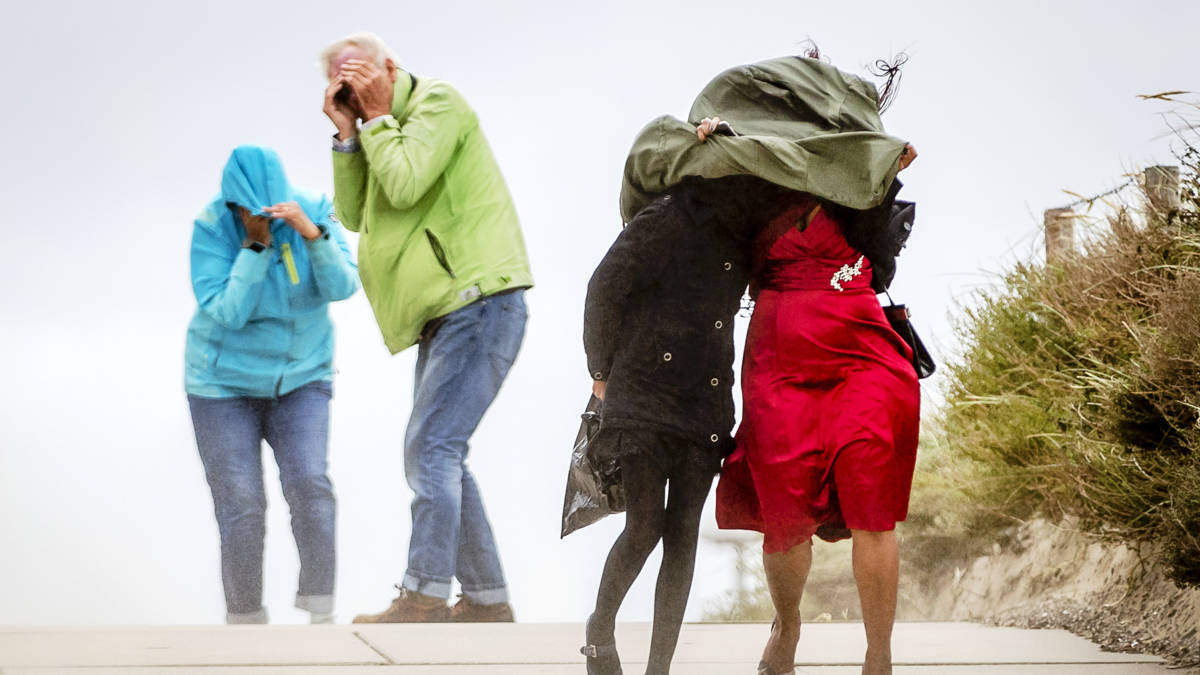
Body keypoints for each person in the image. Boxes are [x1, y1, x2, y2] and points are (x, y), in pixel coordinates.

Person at [710, 57, 920, 675]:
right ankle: (787, 626)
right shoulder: (744, 170)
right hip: (778, 359)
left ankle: (879, 654)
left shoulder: (864, 168)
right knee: (786, 515)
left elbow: (882, 244)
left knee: (874, 508)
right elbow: (672, 184)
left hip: (865, 353)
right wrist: (709, 140)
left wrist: (890, 167)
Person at [318, 32, 533, 623]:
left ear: (390, 66)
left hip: (479, 299)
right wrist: (347, 136)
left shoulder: (439, 103)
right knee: (442, 451)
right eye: (343, 85)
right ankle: (488, 600)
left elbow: (408, 179)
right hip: (445, 312)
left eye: (361, 78)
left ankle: (425, 592)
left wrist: (380, 116)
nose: (355, 92)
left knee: (431, 447)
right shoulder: (375, 128)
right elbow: (354, 212)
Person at [583, 173, 792, 675]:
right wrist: (600, 372)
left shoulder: (750, 232)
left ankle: (659, 670)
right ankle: (599, 632)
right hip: (645, 396)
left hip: (705, 402)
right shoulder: (669, 215)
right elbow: (604, 285)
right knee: (645, 525)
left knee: (682, 535)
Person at [185, 144, 359, 624]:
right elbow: (227, 311)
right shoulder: (212, 226)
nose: (257, 215)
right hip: (222, 386)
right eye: (247, 209)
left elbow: (344, 286)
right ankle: (245, 619)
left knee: (310, 485)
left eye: (266, 208)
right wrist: (256, 246)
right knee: (241, 502)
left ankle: (321, 613)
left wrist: (314, 235)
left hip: (302, 377)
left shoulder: (314, 207)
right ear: (233, 203)